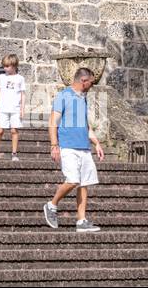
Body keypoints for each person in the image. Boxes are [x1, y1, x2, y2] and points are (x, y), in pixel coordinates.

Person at [44, 66, 104, 232]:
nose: (92, 86)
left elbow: (86, 125)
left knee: (84, 183)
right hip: (68, 146)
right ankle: (51, 205)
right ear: (83, 81)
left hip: (84, 146)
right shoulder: (63, 96)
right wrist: (54, 145)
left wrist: (96, 143)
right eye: (91, 83)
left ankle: (81, 220)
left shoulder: (83, 98)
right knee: (73, 180)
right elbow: (52, 122)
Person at [0, 54, 27, 161]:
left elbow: (22, 94)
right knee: (0, 130)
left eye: (7, 66)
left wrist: (22, 108)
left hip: (15, 108)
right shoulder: (2, 77)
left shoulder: (20, 78)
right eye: (4, 66)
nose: (5, 68)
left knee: (14, 131)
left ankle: (14, 153)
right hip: (3, 108)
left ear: (14, 66)